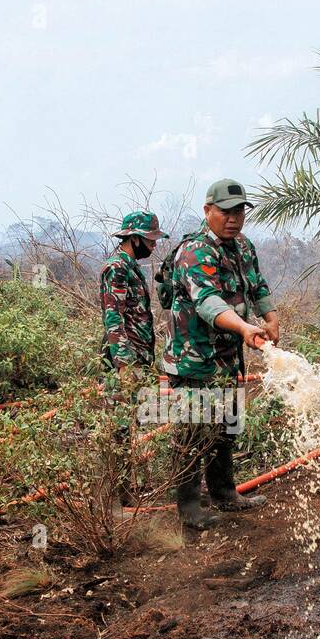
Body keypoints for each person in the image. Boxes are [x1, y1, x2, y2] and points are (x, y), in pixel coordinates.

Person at [160, 178, 278, 530]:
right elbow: (208, 302)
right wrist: (244, 328)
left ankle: (225, 494)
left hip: (227, 357)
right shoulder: (194, 251)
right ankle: (189, 508)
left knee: (227, 425)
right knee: (193, 430)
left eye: (240, 210)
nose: (234, 218)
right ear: (207, 211)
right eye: (226, 211)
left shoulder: (243, 246)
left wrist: (270, 316)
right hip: (193, 358)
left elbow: (257, 284)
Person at [100, 211, 167, 374]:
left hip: (139, 357)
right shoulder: (118, 268)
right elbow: (114, 317)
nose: (154, 245)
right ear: (135, 239)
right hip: (128, 361)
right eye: (150, 240)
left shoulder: (131, 268)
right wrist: (123, 364)